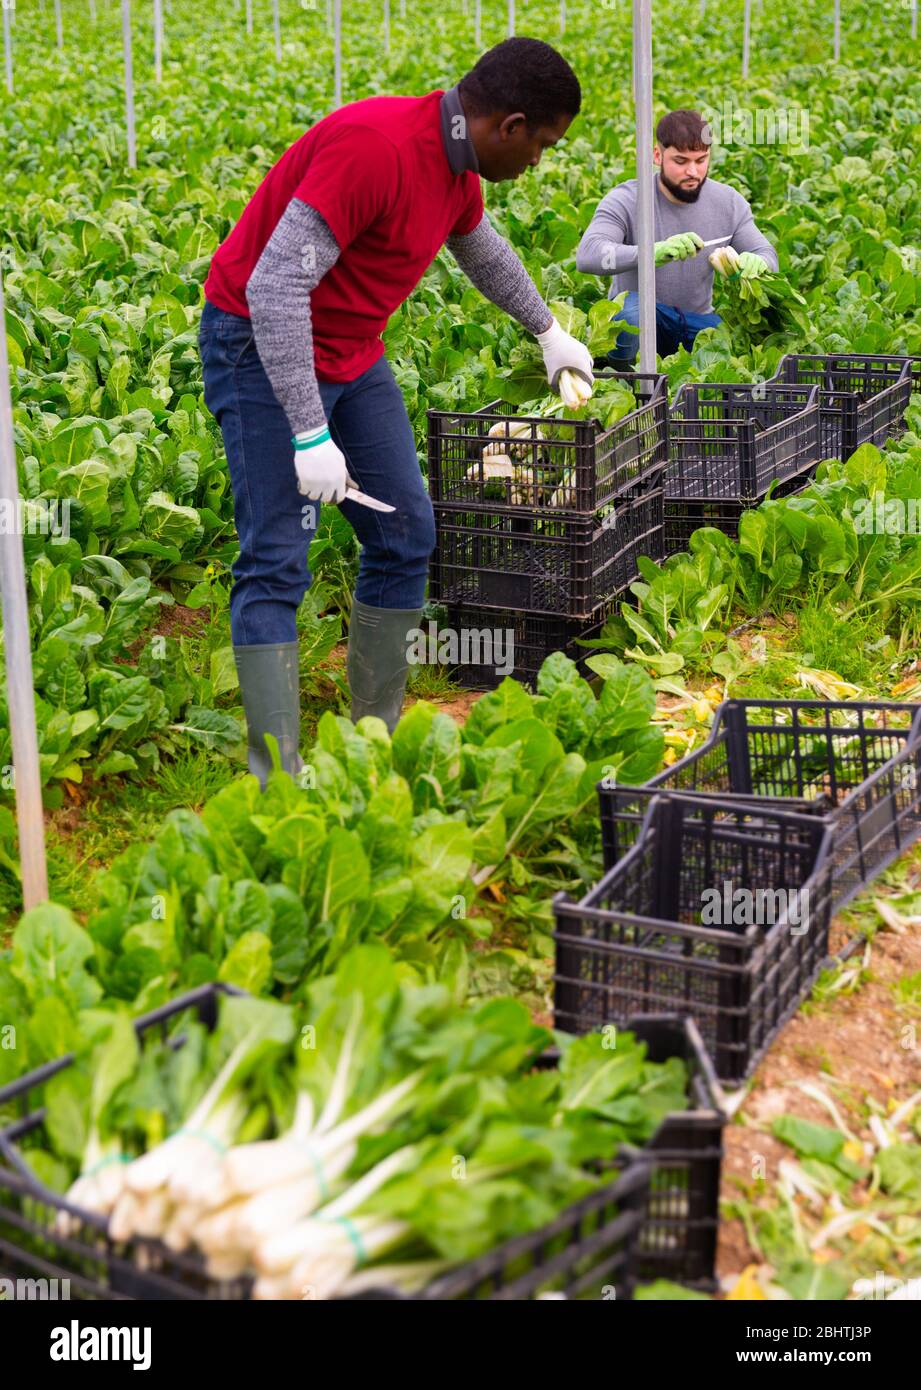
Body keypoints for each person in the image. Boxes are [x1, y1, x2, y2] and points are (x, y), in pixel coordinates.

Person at [199, 38, 593, 786]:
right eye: (541, 145)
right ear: (507, 125)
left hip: (351, 349)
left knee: (405, 531)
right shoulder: (373, 148)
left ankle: (369, 741)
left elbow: (482, 252)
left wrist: (546, 330)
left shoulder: (456, 168)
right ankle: (274, 779)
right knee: (277, 561)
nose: (538, 162)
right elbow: (275, 288)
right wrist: (309, 432)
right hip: (259, 344)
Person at [575, 109, 778, 366]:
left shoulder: (728, 202)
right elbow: (588, 255)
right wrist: (650, 253)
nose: (693, 171)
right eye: (680, 161)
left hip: (698, 321)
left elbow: (767, 253)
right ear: (657, 155)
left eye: (701, 160)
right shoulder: (627, 199)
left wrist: (757, 262)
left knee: (745, 345)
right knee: (631, 314)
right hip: (642, 317)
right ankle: (623, 384)